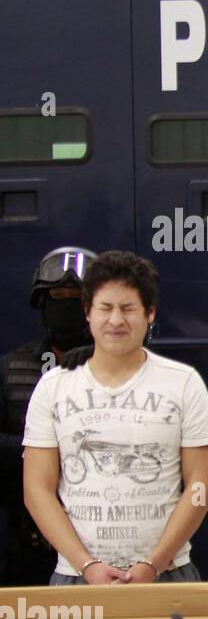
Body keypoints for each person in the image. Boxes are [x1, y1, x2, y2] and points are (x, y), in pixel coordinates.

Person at [22, 251, 208, 585]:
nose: (116, 320)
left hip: (168, 575)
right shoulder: (53, 387)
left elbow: (202, 486)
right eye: (105, 308)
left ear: (150, 314)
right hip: (75, 577)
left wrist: (152, 564)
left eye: (128, 308)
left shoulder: (184, 383)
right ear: (88, 313)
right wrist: (87, 565)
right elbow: (36, 491)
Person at [0, 247, 97, 585]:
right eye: (58, 296)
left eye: (76, 297)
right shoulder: (12, 366)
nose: (66, 304)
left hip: (109, 544)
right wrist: (40, 451)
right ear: (42, 302)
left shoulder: (124, 368)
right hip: (31, 545)